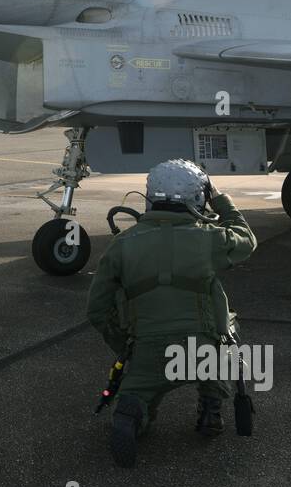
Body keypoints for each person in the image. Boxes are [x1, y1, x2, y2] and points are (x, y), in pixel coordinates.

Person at [86, 158, 257, 468]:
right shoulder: (210, 237)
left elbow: (97, 308)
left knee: (136, 395)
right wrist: (221, 199)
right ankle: (211, 408)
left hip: (149, 350)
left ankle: (132, 412)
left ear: (151, 195)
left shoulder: (122, 244)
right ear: (198, 197)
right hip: (200, 350)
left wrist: (125, 346)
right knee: (227, 330)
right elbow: (247, 240)